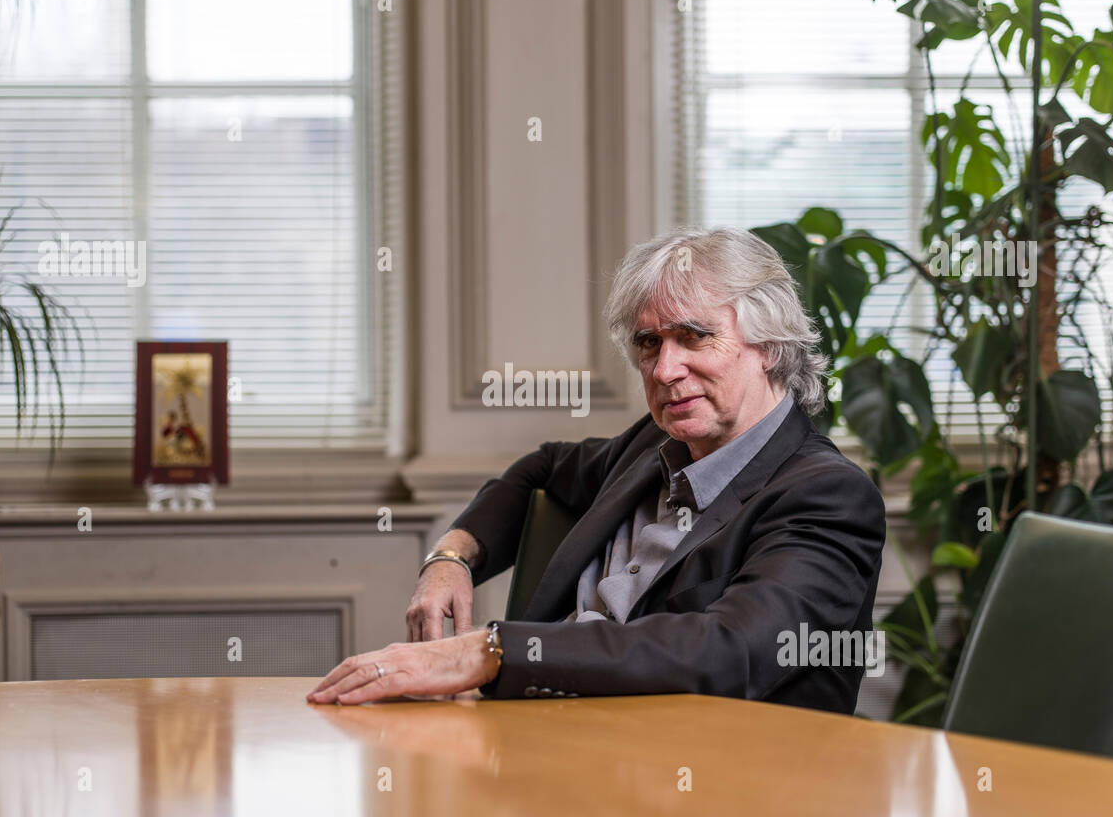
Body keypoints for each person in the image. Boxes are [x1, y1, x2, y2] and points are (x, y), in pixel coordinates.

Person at [308, 227, 886, 713]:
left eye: (693, 337)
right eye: (648, 343)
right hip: (541, 743)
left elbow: (730, 650)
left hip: (711, 805)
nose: (665, 369)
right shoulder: (653, 444)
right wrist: (450, 558)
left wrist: (489, 652)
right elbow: (539, 471)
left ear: (770, 344)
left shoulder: (828, 495)